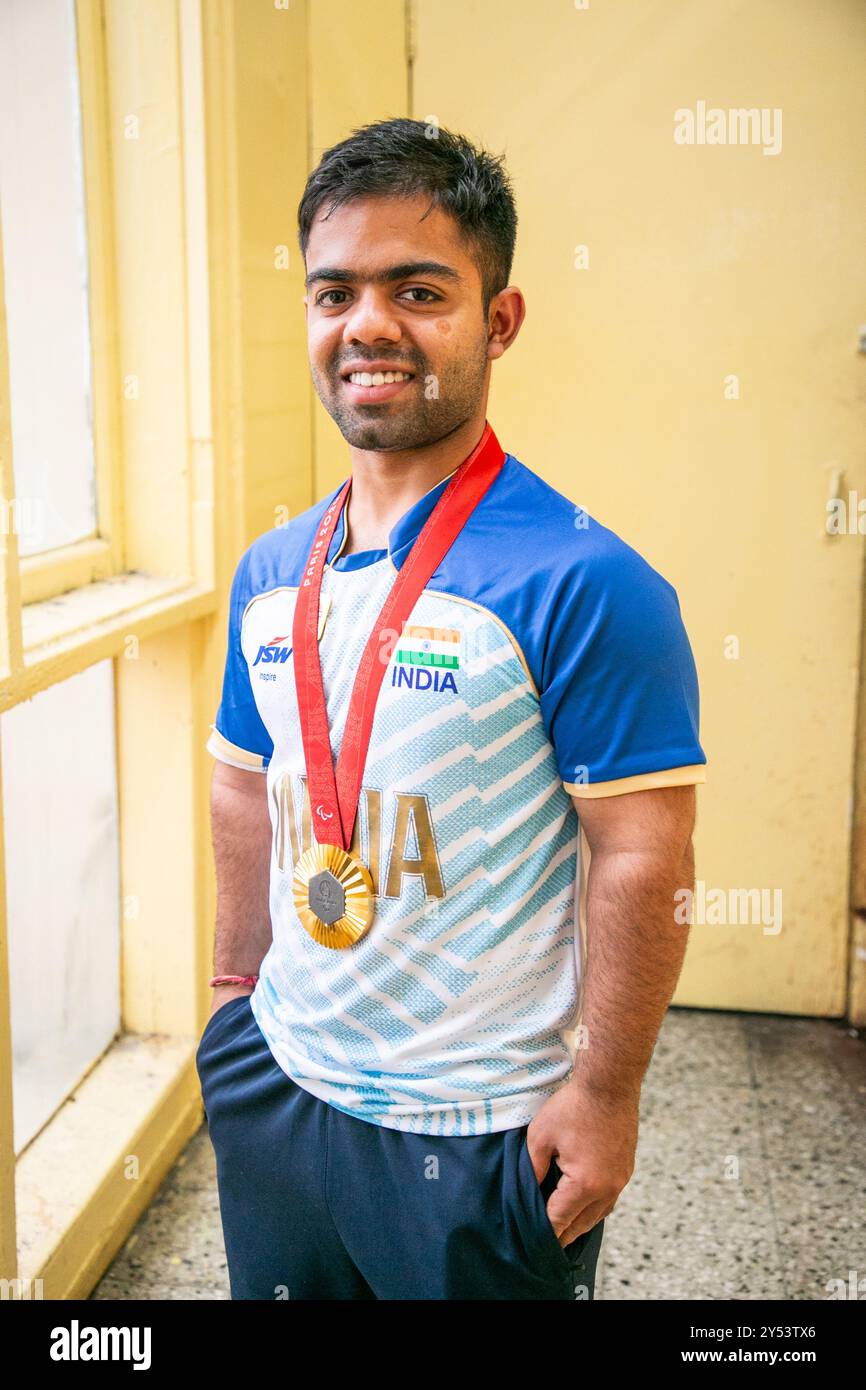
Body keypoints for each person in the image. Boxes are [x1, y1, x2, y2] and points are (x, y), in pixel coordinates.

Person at [196, 117, 707, 1301]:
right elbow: (240, 782)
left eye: (415, 289)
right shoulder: (272, 571)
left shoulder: (584, 580)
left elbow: (639, 854)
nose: (366, 324)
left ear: (498, 319)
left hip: (481, 1126)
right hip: (280, 1085)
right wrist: (232, 1001)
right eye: (334, 292)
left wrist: (606, 1096)